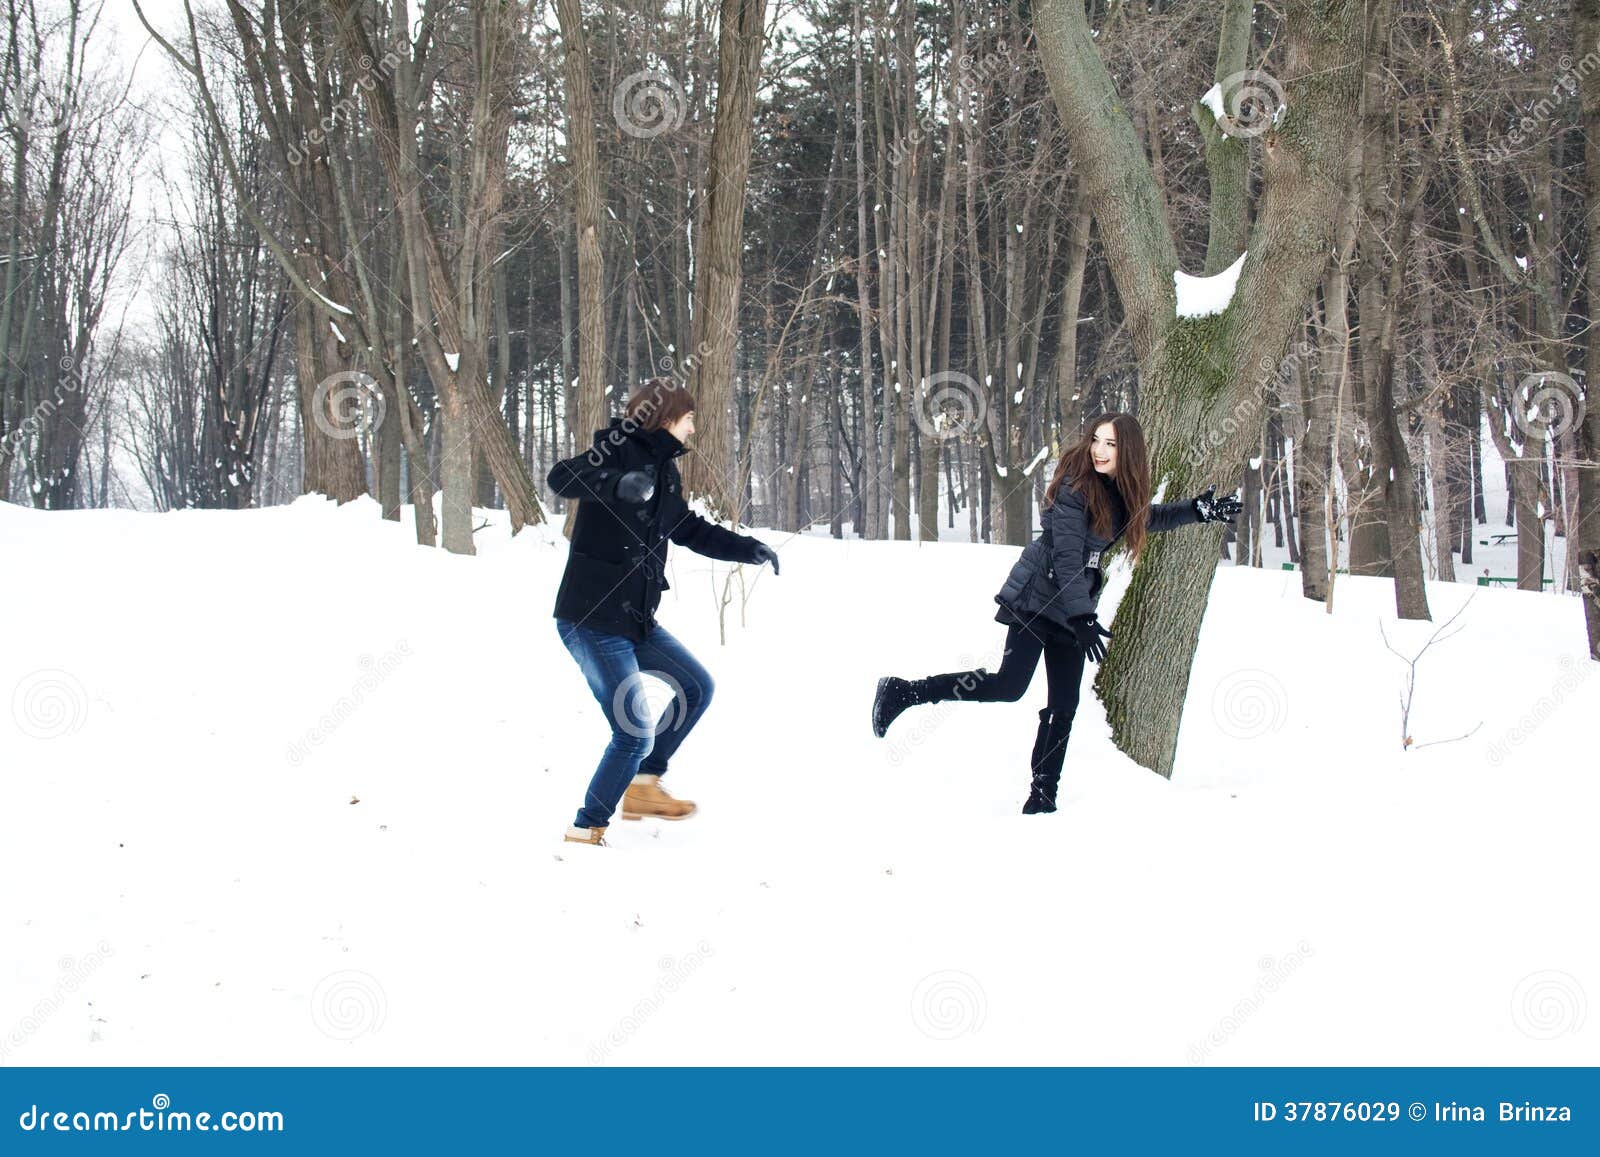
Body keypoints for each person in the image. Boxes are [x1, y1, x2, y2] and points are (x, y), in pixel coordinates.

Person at [869, 411, 1240, 814]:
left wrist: (1197, 511)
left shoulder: (1121, 491)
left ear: (1128, 451)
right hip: (1038, 599)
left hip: (1073, 608)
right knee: (1009, 686)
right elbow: (1065, 557)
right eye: (1096, 440)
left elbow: (1146, 518)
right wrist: (1082, 617)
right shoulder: (1075, 486)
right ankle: (905, 691)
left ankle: (1043, 794)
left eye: (1111, 444)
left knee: (1065, 703)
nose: (1099, 450)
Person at [548, 377, 779, 847]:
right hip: (591, 618)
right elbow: (560, 478)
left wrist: (747, 549)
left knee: (696, 687)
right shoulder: (613, 448)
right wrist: (616, 483)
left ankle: (643, 786)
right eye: (690, 419)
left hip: (634, 620)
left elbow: (688, 528)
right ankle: (585, 828)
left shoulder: (666, 471)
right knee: (632, 732)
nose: (694, 429)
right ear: (668, 418)